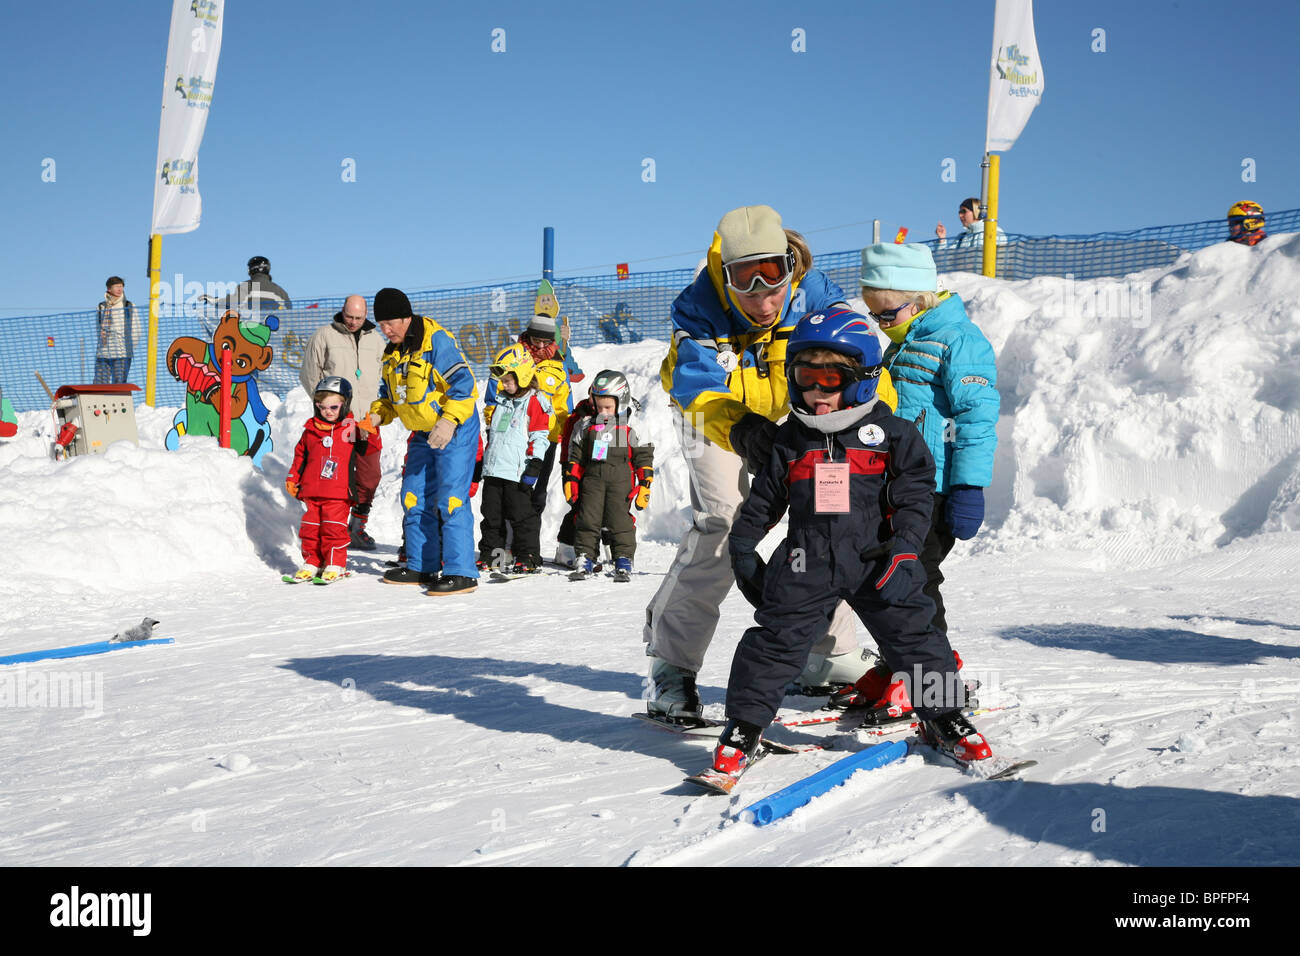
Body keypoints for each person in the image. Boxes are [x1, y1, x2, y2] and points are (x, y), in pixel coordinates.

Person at [706, 307, 993, 783]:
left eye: (831, 378)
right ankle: (744, 727)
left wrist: (904, 547)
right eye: (805, 378)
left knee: (916, 637)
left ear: (861, 379)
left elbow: (915, 496)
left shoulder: (894, 435)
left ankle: (942, 717)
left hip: (877, 559)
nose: (816, 391)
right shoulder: (789, 441)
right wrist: (743, 544)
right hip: (806, 559)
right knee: (774, 642)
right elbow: (764, 501)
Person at [643, 204, 900, 719]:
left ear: (789, 265)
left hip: (800, 404)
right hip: (714, 412)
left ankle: (827, 656)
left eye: (772, 284)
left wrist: (878, 426)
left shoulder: (817, 295)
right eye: (748, 288)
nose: (762, 301)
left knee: (832, 516)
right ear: (727, 279)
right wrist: (744, 431)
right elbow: (696, 387)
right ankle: (671, 668)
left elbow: (863, 360)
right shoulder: (699, 306)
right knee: (724, 522)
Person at [831, 243, 999, 715]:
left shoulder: (959, 340)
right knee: (885, 579)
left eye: (888, 313)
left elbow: (976, 417)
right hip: (897, 487)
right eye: (876, 316)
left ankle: (933, 675)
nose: (883, 323)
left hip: (938, 489)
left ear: (920, 297)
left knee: (916, 581)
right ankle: (901, 660)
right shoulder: (901, 343)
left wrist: (968, 486)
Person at [366, 287, 480, 594]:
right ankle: (422, 565)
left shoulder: (436, 341)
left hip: (453, 428)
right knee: (413, 497)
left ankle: (461, 572)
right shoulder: (393, 353)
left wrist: (448, 419)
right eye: (381, 324)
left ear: (406, 317)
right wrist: (375, 416)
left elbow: (464, 384)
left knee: (451, 499)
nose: (385, 330)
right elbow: (389, 398)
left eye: (390, 323)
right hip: (421, 432)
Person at [298, 294, 386, 549]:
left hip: (367, 420)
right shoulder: (324, 336)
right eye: (349, 316)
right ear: (342, 312)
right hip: (337, 422)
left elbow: (383, 375)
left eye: (359, 318)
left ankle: (357, 527)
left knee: (370, 475)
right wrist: (327, 408)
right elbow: (309, 375)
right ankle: (327, 528)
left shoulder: (376, 340)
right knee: (333, 476)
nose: (354, 322)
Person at [284, 377, 374, 584]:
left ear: (345, 404)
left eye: (334, 407)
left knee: (333, 528)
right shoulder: (310, 431)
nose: (328, 411)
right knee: (311, 528)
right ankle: (312, 562)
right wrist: (292, 478)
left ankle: (335, 564)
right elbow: (300, 457)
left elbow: (366, 450)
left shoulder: (350, 428)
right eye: (322, 407)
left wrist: (368, 433)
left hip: (338, 492)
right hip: (312, 490)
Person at [565, 370, 654, 580]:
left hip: (621, 480)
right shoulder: (586, 426)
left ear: (621, 402)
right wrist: (572, 479)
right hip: (593, 480)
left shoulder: (631, 427)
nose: (603, 411)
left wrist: (645, 482)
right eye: (599, 406)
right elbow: (576, 457)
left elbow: (643, 456)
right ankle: (585, 556)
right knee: (587, 519)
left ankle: (623, 557)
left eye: (608, 407)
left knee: (620, 520)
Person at [477, 343, 552, 573]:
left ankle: (527, 556)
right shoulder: (501, 401)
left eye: (509, 380)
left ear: (523, 375)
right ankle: (494, 555)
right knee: (491, 515)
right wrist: (483, 462)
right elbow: (495, 435)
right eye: (503, 381)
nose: (504, 384)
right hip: (494, 471)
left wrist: (535, 464)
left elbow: (539, 435)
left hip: (517, 472)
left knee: (522, 517)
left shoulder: (534, 401)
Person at [95, 276, 138, 384]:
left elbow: (136, 330)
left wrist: (129, 348)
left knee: (119, 384)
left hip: (122, 353)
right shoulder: (101, 307)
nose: (120, 289)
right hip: (103, 353)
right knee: (99, 383)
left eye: (121, 286)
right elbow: (98, 329)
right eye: (117, 286)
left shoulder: (129, 306)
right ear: (109, 289)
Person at [220, 256, 292, 318]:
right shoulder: (280, 291)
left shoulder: (246, 286)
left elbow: (233, 302)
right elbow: (289, 312)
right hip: (275, 330)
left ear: (251, 270)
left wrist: (216, 300)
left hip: (251, 328)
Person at [935, 197, 1006, 250]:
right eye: (959, 212)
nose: (960, 215)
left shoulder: (993, 231)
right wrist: (942, 239)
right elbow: (946, 259)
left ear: (976, 211)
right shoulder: (961, 238)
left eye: (963, 211)